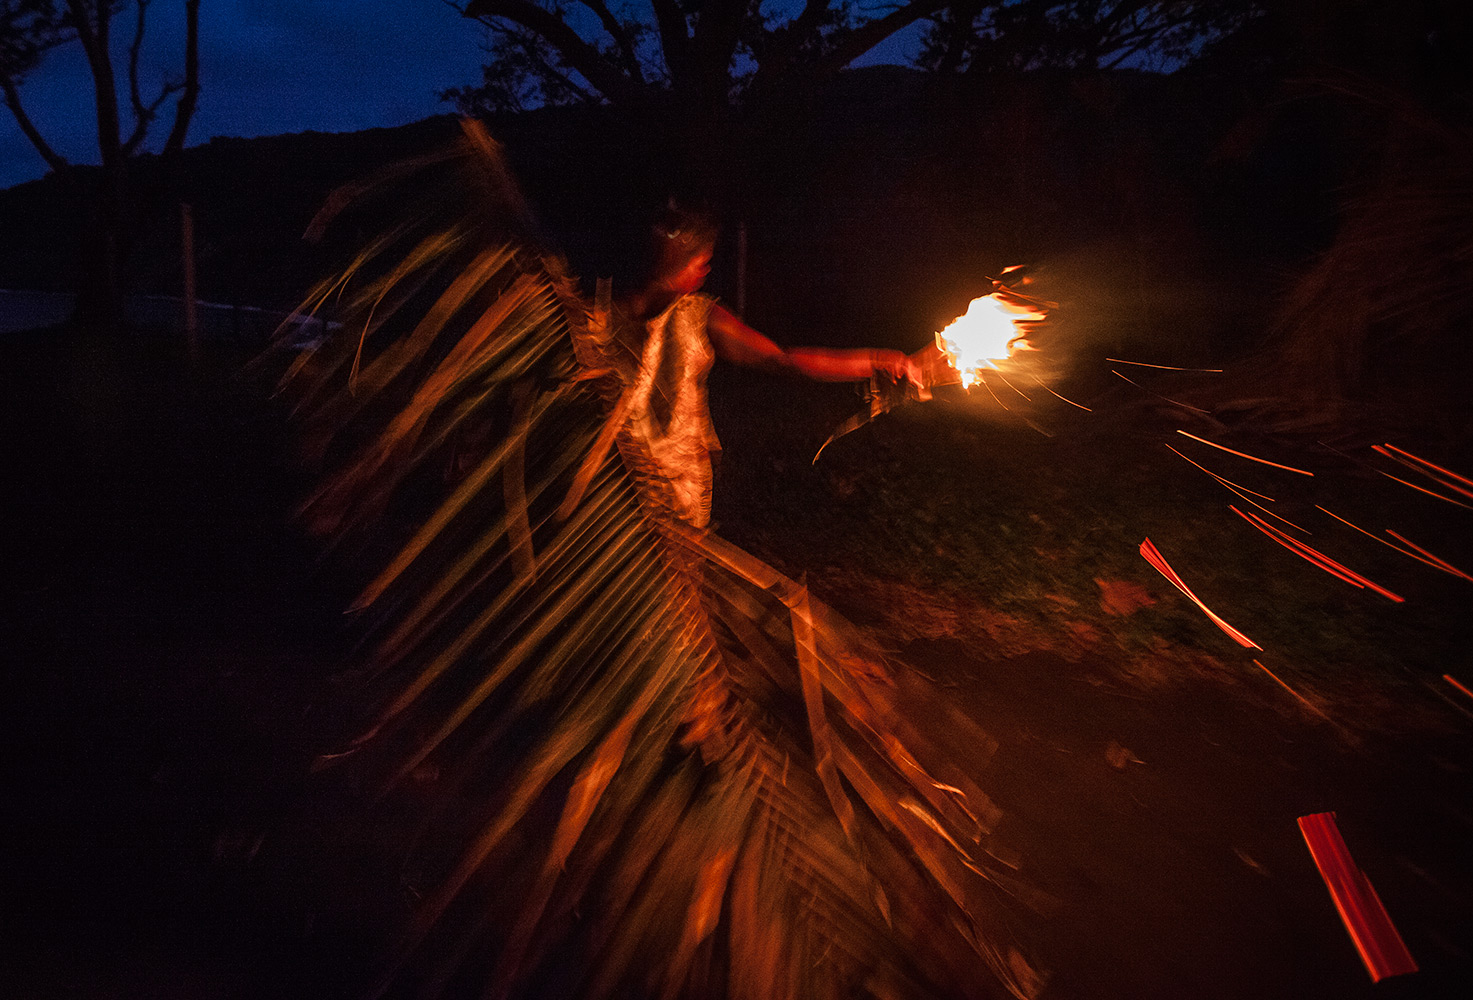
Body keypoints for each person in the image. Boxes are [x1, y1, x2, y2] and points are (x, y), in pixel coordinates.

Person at [283, 127, 1040, 1000]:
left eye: (699, 257)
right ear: (664, 256)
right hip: (605, 525)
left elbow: (787, 359)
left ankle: (665, 778)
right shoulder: (587, 319)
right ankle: (599, 794)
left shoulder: (703, 318)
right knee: (610, 663)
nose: (695, 267)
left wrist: (892, 361)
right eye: (686, 255)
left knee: (688, 660)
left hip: (681, 520)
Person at [593, 207, 921, 528]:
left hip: (611, 487)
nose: (706, 272)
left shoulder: (599, 314)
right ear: (681, 262)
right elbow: (785, 360)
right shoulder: (693, 315)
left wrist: (877, 361)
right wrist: (879, 360)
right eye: (702, 262)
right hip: (650, 489)